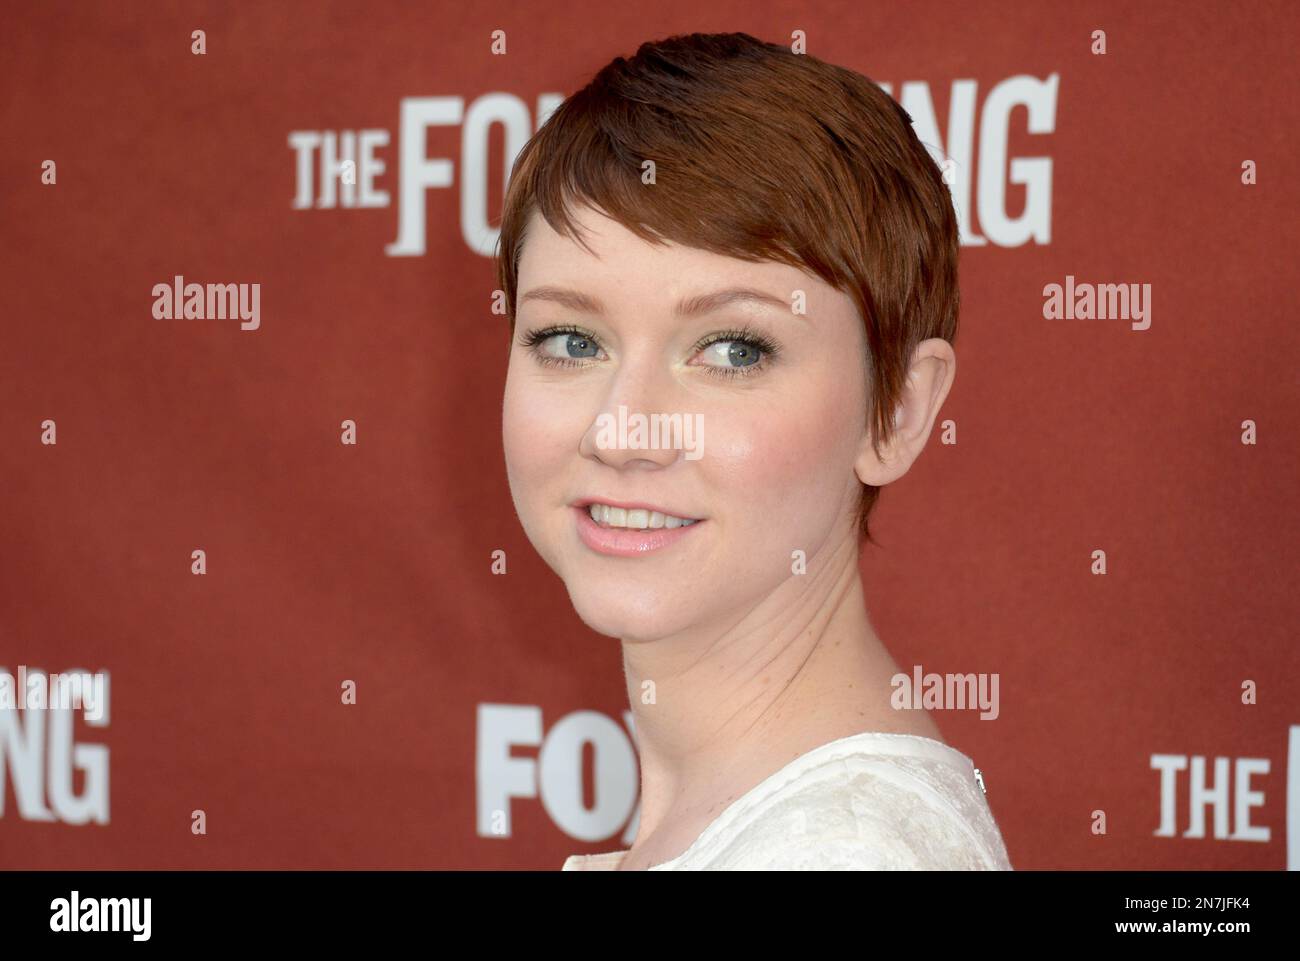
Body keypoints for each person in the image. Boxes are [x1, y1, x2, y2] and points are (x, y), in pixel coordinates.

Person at [495, 31, 1012, 870]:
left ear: (899, 411)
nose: (622, 431)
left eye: (733, 350)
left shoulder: (846, 854)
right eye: (570, 339)